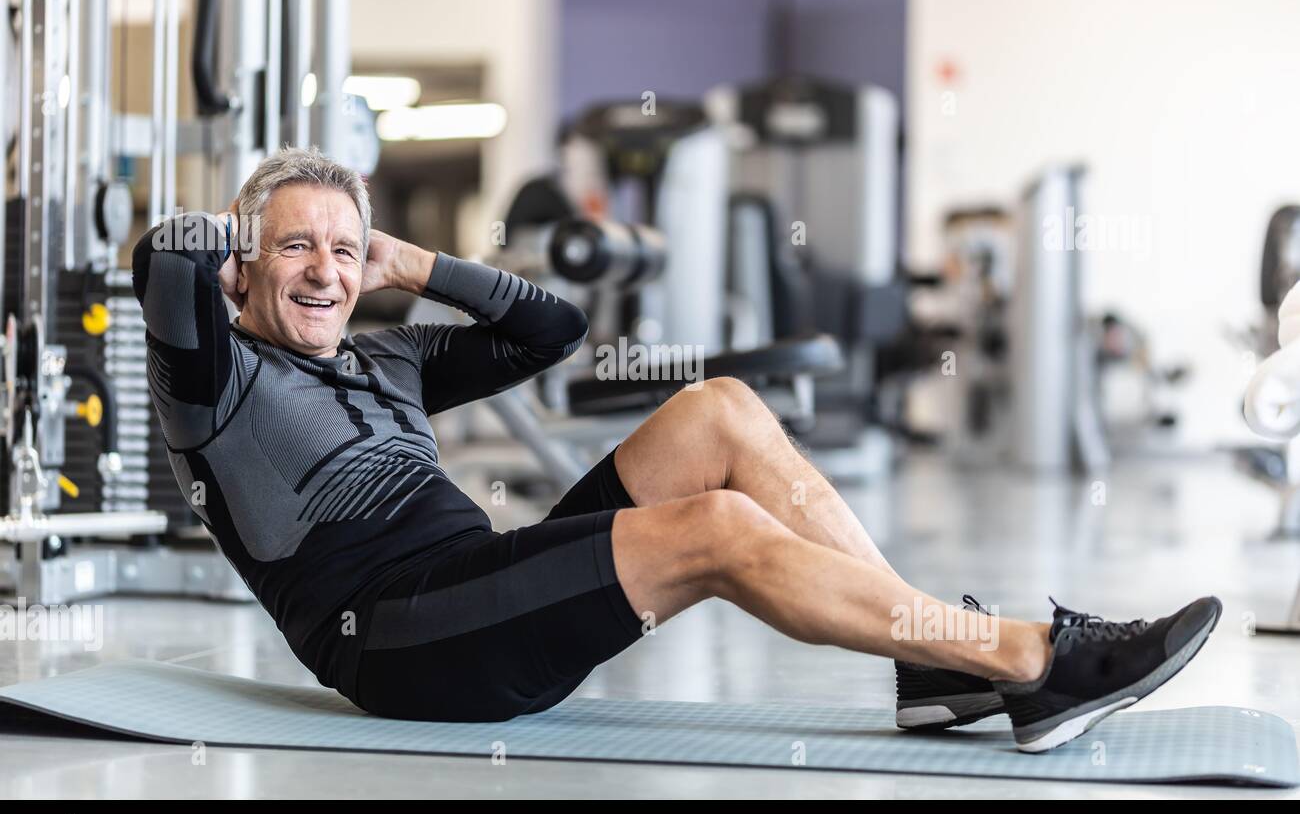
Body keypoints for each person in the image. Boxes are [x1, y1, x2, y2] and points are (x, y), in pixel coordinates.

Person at [131, 146, 1220, 752]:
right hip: (401, 642)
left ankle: (931, 657)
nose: (324, 270)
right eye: (294, 248)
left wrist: (413, 262)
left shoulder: (391, 355)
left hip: (474, 580)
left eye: (341, 247)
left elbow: (549, 328)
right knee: (716, 533)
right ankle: (1024, 657)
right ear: (244, 264)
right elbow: (167, 253)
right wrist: (231, 250)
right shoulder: (213, 381)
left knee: (722, 408)